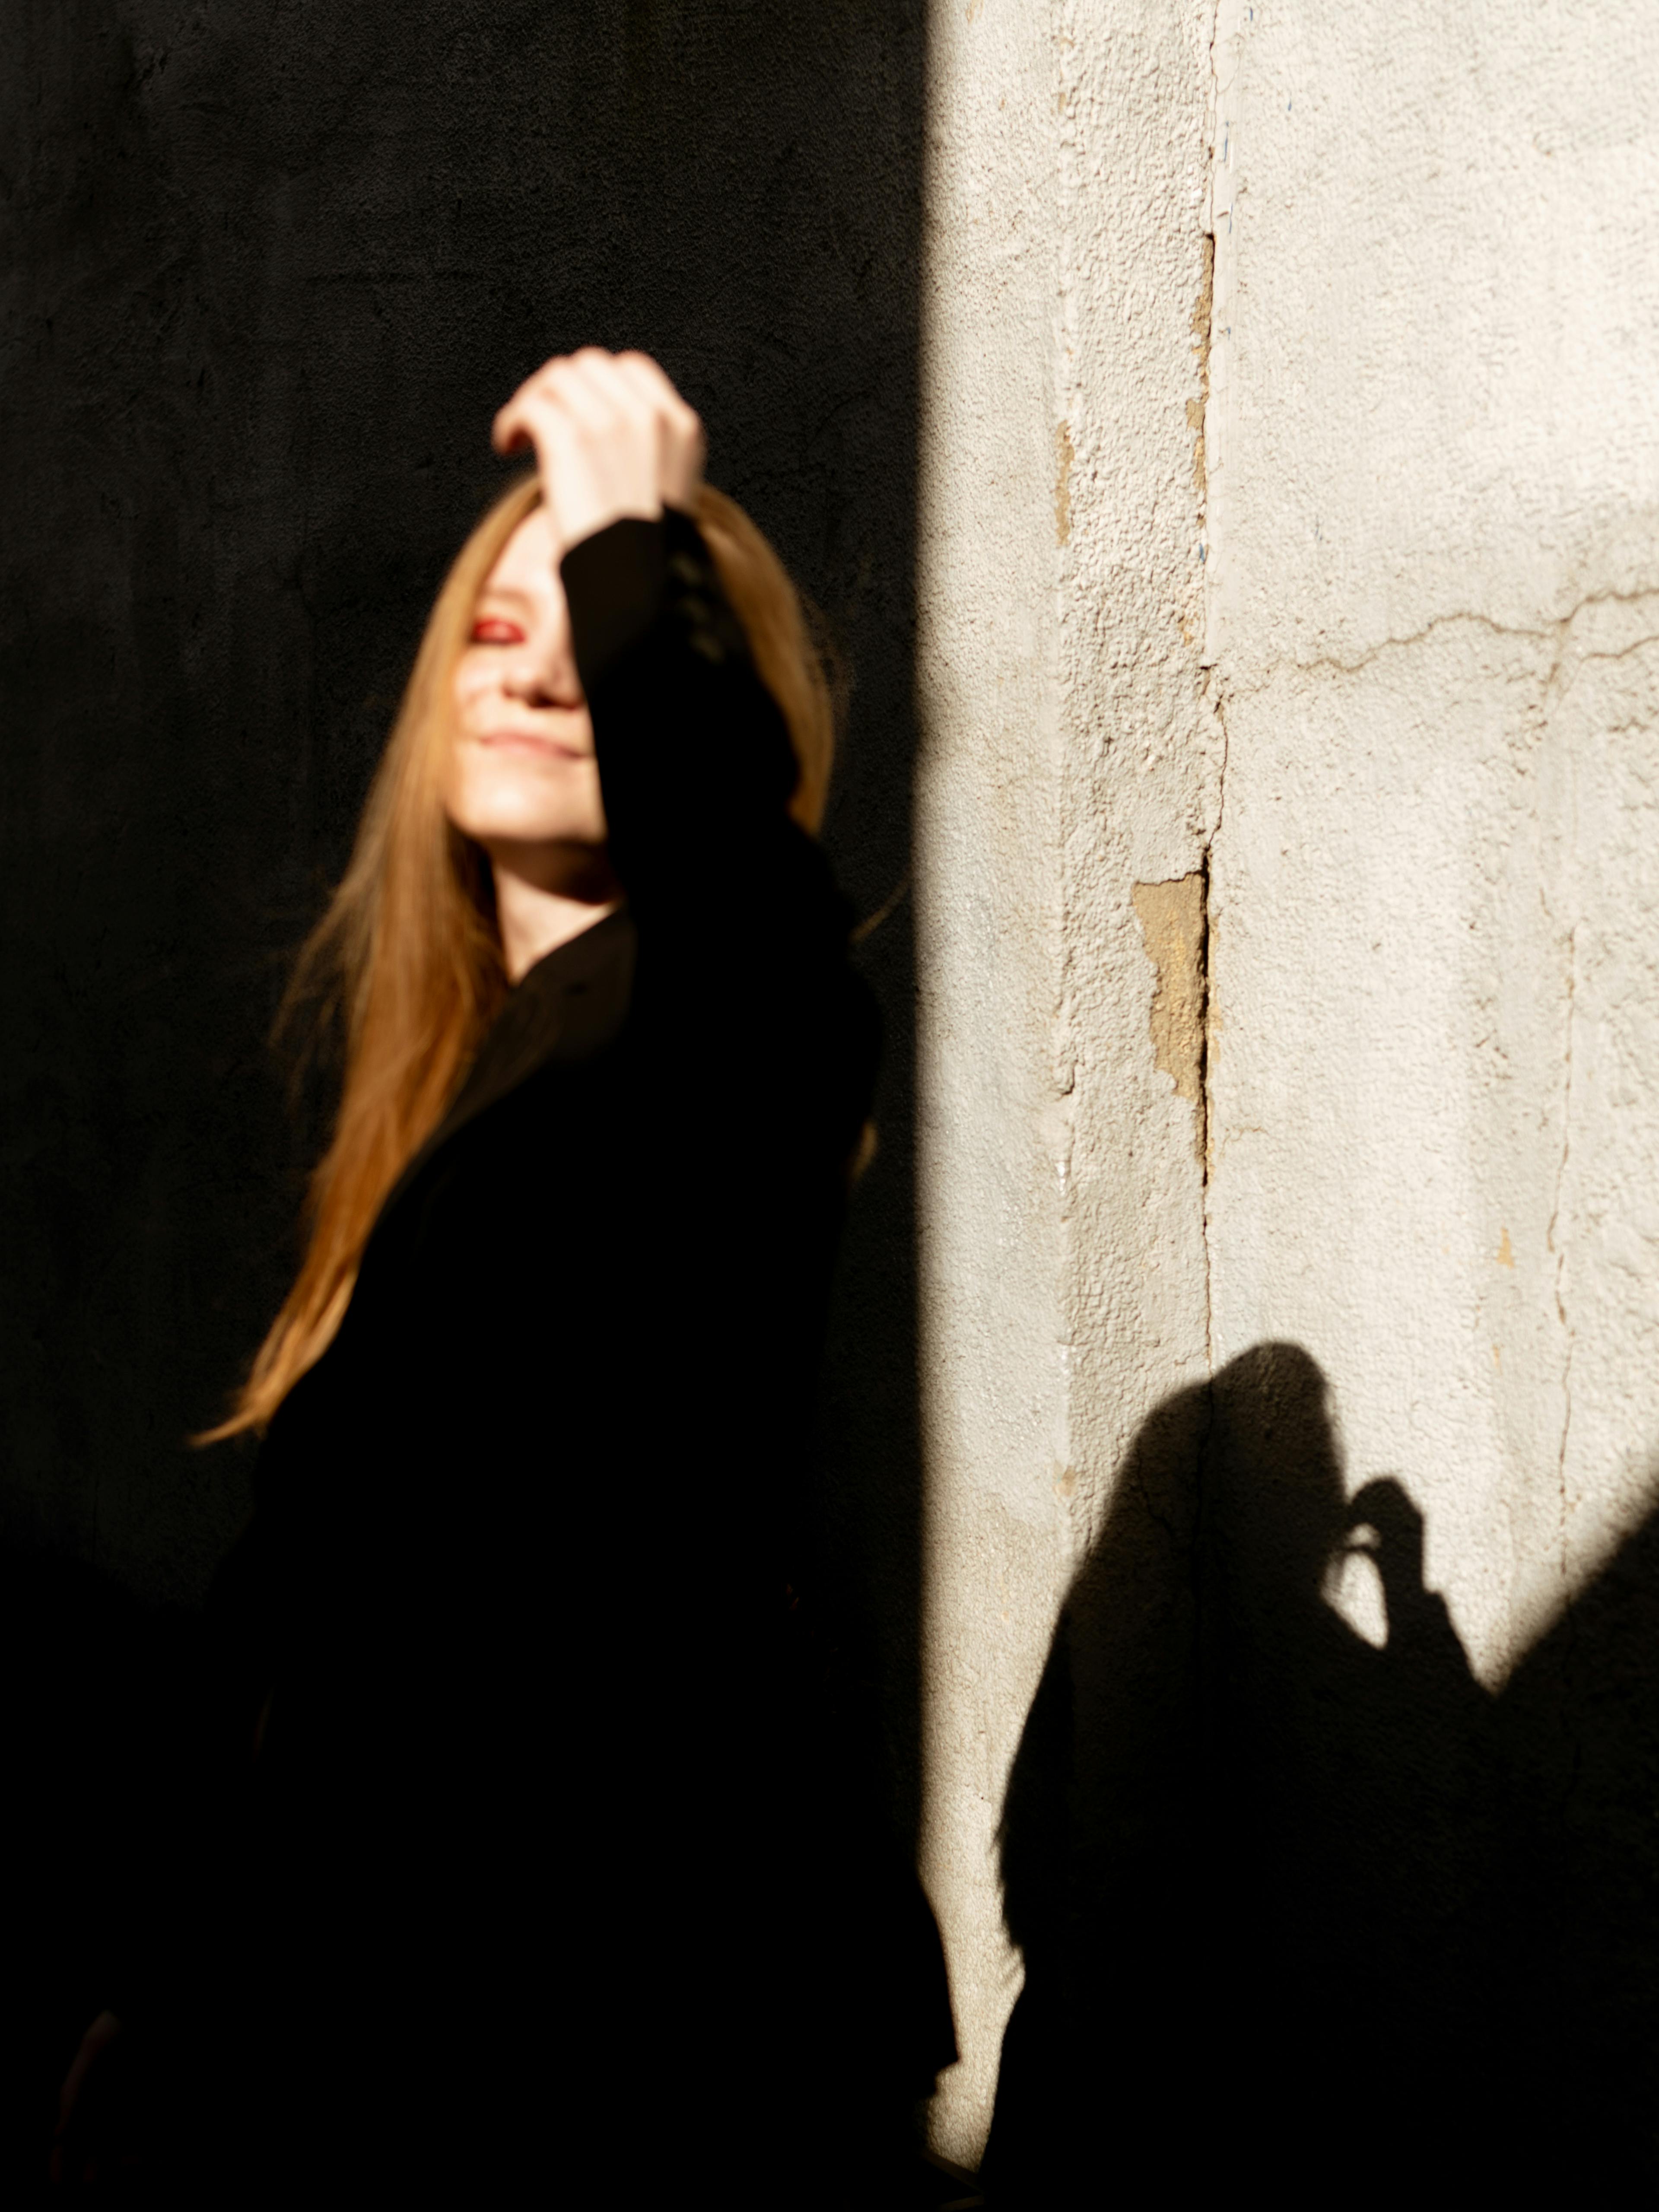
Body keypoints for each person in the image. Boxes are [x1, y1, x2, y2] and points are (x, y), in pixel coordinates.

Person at [54, 349, 954, 2201]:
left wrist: (638, 534)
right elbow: (315, 1626)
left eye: (592, 626)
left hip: (627, 2068)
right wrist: (166, 1988)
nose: (536, 667)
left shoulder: (712, 1031)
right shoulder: (490, 1081)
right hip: (403, 2051)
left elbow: (765, 940)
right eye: (491, 627)